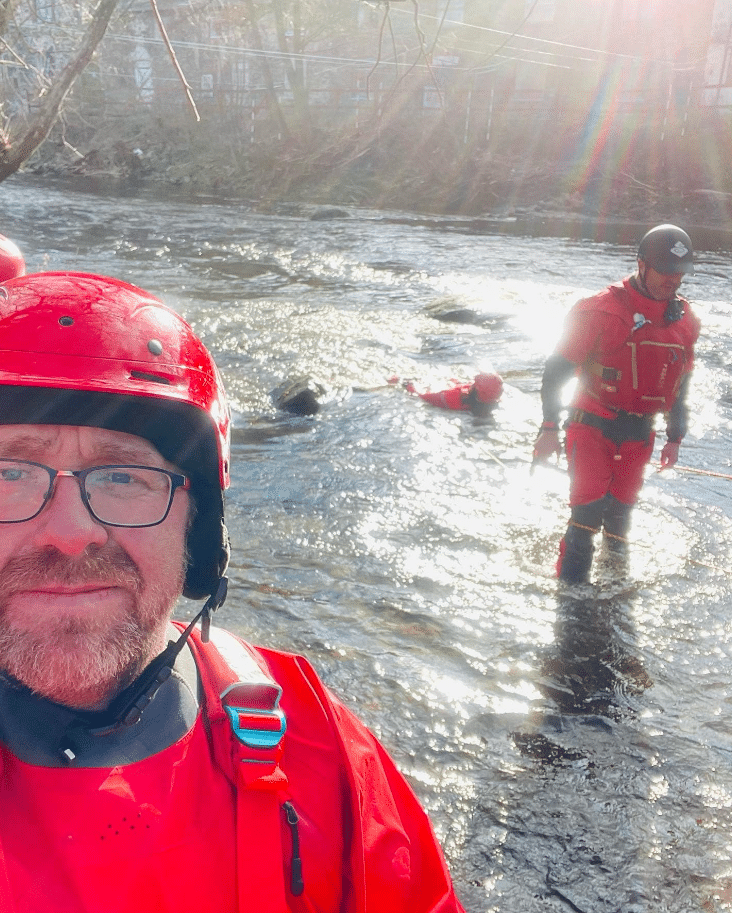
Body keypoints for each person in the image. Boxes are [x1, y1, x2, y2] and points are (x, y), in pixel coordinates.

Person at [0, 271, 466, 913]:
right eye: (8, 473)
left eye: (125, 476)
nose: (71, 533)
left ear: (199, 532)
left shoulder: (319, 750)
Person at [532, 224, 701, 583]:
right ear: (642, 265)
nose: (673, 281)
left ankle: (615, 596)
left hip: (640, 434)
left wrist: (675, 436)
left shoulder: (686, 321)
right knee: (586, 516)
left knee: (620, 519)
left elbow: (680, 383)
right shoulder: (599, 310)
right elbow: (556, 371)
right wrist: (548, 429)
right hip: (591, 425)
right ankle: (572, 605)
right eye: (666, 272)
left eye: (680, 274)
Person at [393, 372, 503, 418]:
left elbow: (421, 396)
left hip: (440, 401)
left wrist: (404, 383)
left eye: (475, 384)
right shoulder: (493, 402)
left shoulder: (451, 398)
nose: (472, 384)